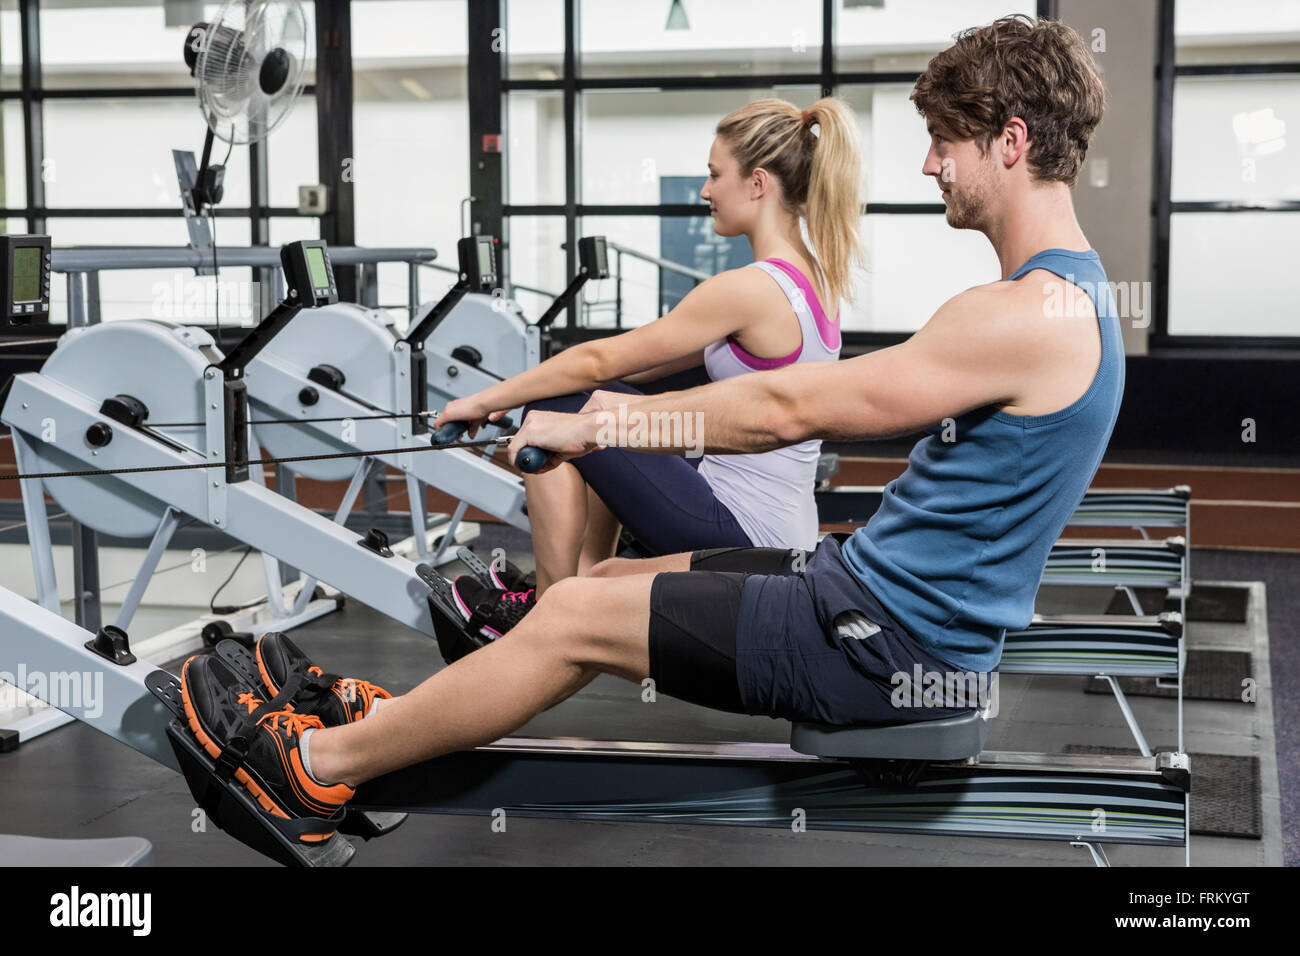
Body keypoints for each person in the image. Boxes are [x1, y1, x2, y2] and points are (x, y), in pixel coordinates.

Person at [181, 14, 1120, 830]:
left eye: (944, 142)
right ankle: (384, 730)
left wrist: (606, 427)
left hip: (880, 639)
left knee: (574, 610)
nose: (928, 164)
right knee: (602, 582)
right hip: (866, 596)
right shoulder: (1062, 301)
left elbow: (787, 408)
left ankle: (310, 772)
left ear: (1009, 139)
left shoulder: (1024, 313)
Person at [430, 97, 864, 638]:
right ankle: (578, 577)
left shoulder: (749, 288)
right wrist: (513, 409)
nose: (705, 191)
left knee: (559, 405)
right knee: (596, 404)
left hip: (740, 530)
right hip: (785, 528)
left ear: (757, 183)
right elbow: (631, 375)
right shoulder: (814, 282)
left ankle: (544, 610)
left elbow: (598, 360)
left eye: (713, 175)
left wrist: (484, 400)